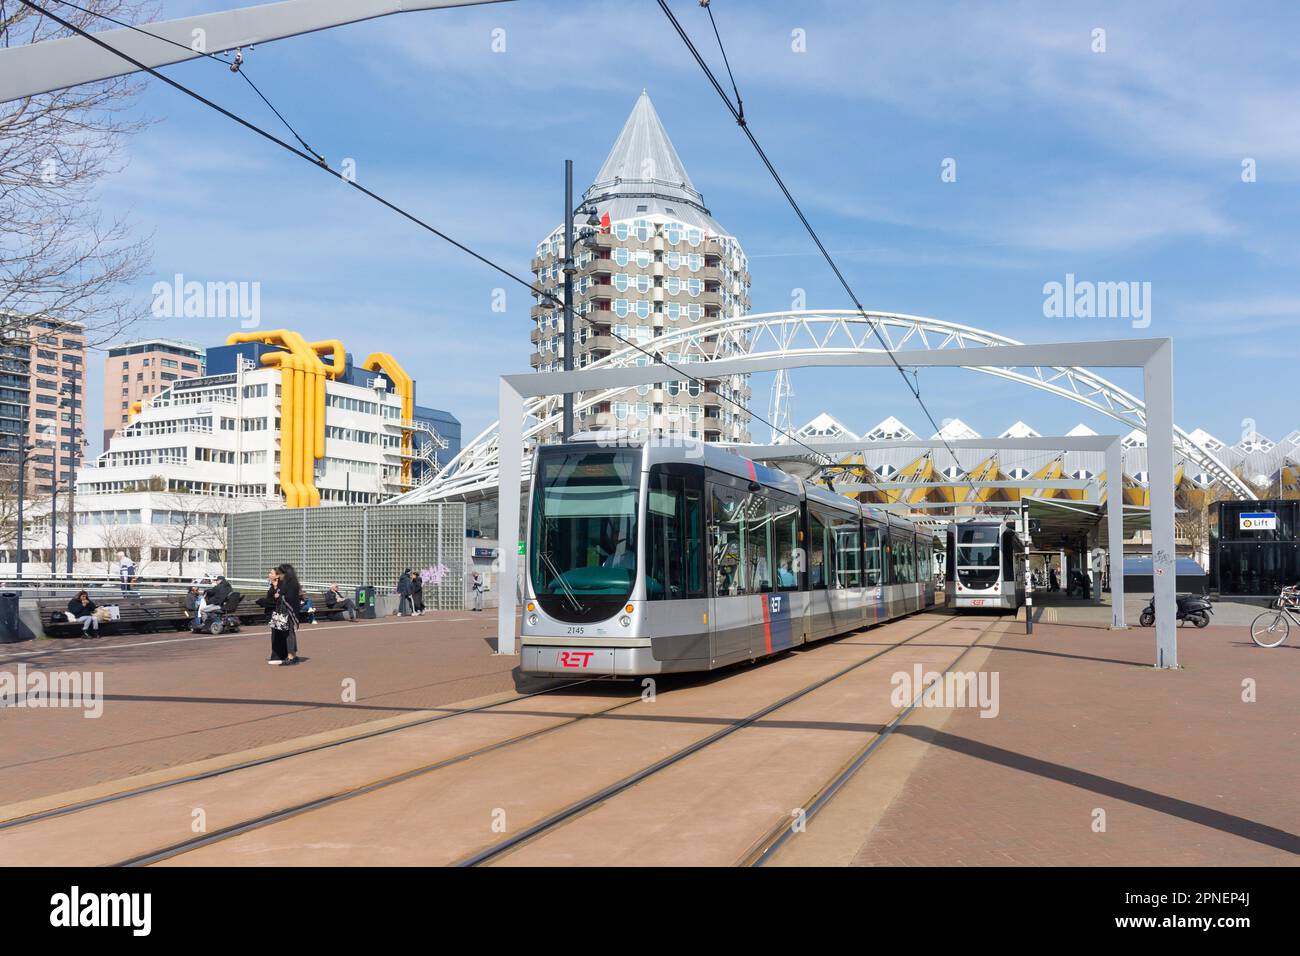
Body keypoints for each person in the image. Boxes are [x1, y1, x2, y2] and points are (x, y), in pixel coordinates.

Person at [268, 563, 302, 666]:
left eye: (280, 573)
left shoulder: (290, 584)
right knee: (289, 634)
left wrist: (279, 595)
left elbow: (286, 597)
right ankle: (293, 655)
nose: (280, 575)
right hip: (289, 611)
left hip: (287, 612)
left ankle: (291, 657)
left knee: (288, 634)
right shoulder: (292, 582)